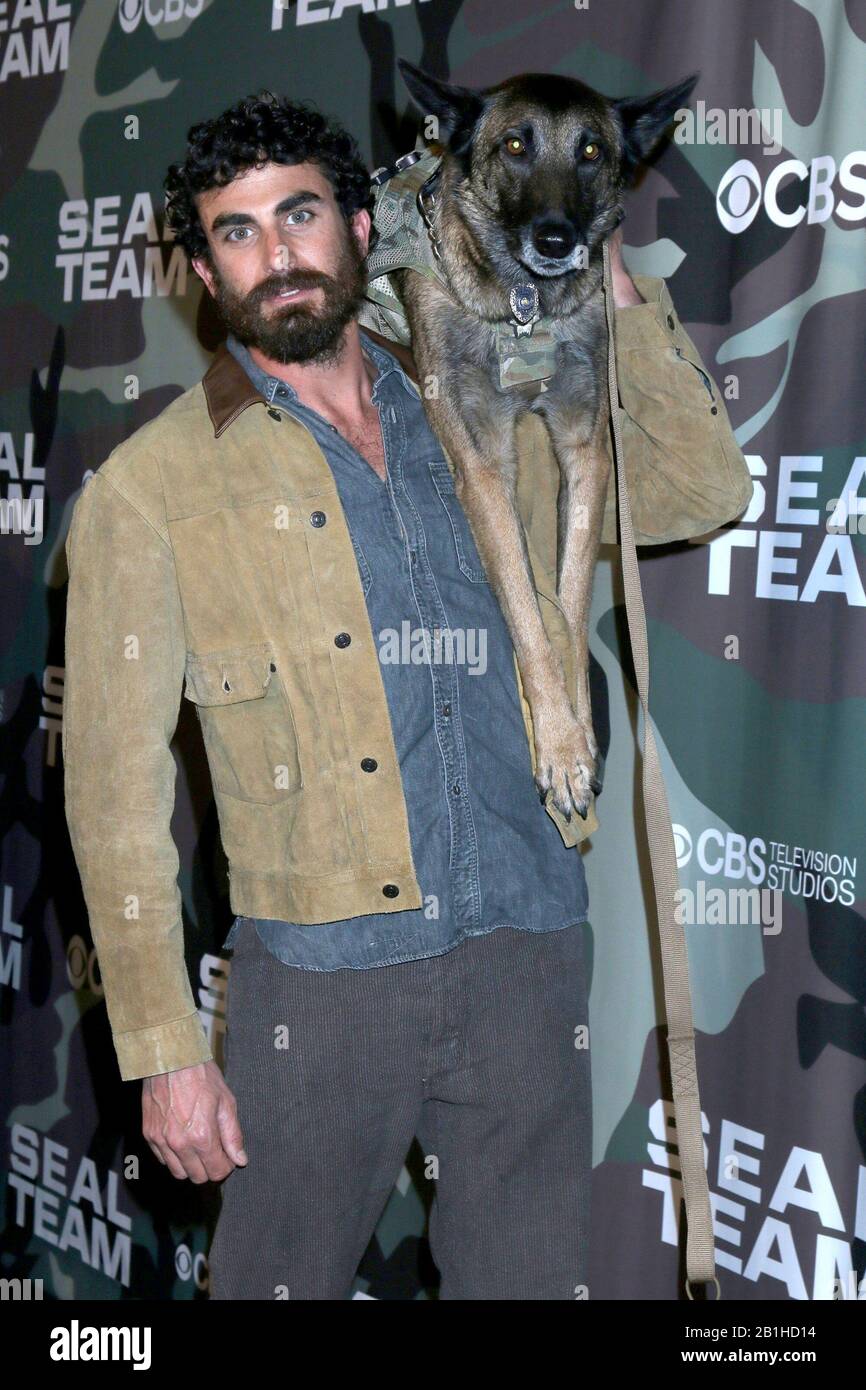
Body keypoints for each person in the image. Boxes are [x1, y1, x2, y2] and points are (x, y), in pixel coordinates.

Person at [62, 91, 751, 1300]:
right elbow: (113, 804)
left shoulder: (489, 400)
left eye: (301, 215)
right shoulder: (147, 491)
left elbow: (700, 489)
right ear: (202, 269)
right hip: (323, 989)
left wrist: (609, 277)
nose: (276, 255)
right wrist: (166, 1054)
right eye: (236, 232)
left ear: (365, 228)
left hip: (524, 954)